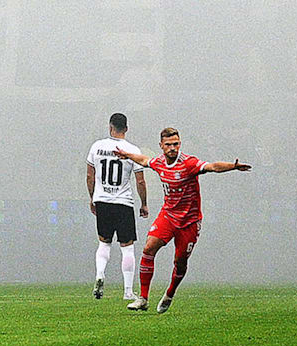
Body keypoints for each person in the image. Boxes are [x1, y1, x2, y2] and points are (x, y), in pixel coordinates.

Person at [116, 128, 251, 313]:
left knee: (180, 262)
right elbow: (144, 160)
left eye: (176, 144)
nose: (173, 148)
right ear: (161, 146)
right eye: (168, 145)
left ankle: (170, 293)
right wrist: (127, 155)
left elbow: (212, 166)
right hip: (168, 215)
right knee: (148, 248)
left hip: (189, 221)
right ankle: (143, 298)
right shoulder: (159, 163)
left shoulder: (189, 163)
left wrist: (232, 166)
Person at [86, 113, 147, 300]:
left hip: (103, 201)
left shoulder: (97, 146)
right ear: (126, 128)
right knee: (127, 247)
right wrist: (144, 204)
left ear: (110, 127)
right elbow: (140, 181)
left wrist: (92, 198)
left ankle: (100, 275)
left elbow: (89, 176)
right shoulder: (132, 150)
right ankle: (128, 291)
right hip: (123, 202)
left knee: (104, 242)